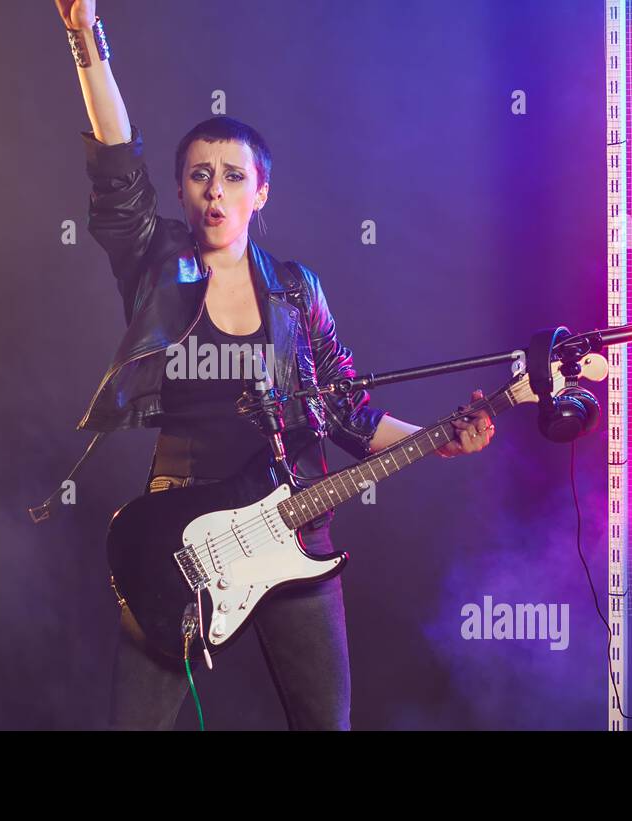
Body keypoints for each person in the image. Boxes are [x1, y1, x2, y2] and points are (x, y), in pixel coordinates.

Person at [55, 0, 496, 730]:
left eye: (233, 175)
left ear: (261, 193)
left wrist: (442, 435)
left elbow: (349, 409)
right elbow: (116, 162)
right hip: (180, 534)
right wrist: (85, 39)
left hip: (293, 527)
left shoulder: (297, 289)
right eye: (199, 174)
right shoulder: (154, 263)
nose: (215, 188)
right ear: (183, 192)